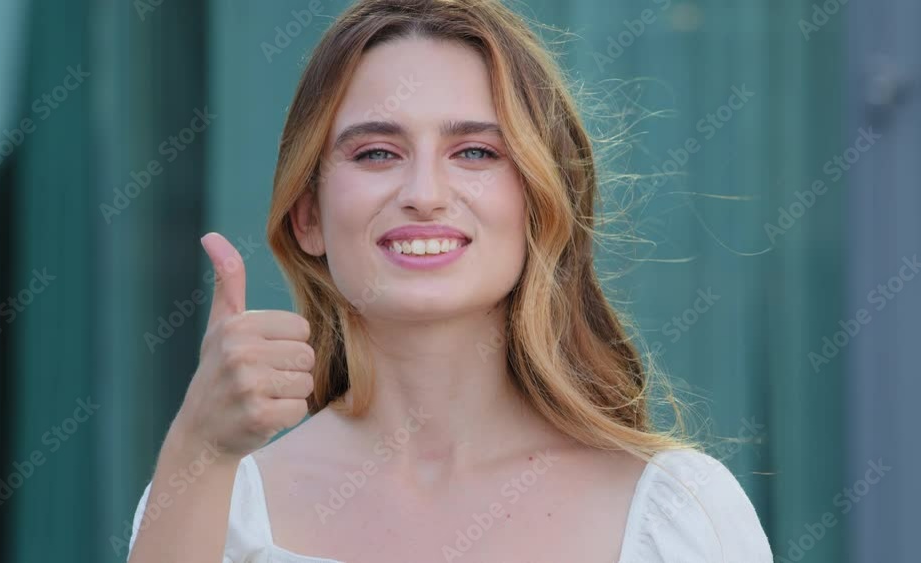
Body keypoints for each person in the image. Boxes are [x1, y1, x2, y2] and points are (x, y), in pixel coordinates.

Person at [126, 1, 773, 561]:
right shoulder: (217, 499)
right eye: (377, 152)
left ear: (538, 205)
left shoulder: (682, 515)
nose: (424, 194)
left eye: (475, 152)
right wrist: (200, 444)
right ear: (309, 217)